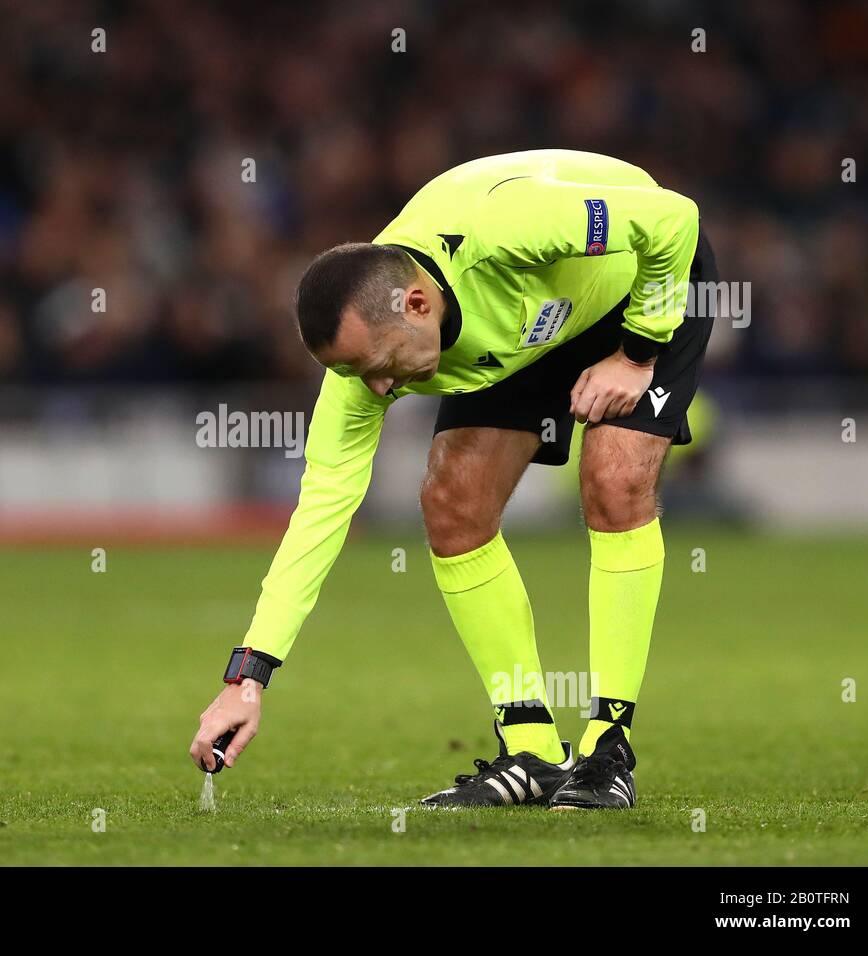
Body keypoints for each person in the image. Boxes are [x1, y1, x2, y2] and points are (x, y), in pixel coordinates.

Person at [189, 149, 715, 810]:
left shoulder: (508, 226)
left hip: (636, 287)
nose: (379, 388)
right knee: (452, 504)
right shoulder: (367, 365)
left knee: (613, 480)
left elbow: (672, 218)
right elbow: (321, 510)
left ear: (416, 303)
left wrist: (637, 353)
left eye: (380, 365)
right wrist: (249, 676)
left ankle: (608, 751)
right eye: (357, 375)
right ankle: (533, 753)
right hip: (529, 328)